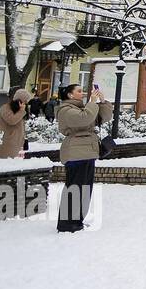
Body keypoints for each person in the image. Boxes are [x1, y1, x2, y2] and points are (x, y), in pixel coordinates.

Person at [56, 83, 102, 232]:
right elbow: (84, 118)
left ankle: (77, 221)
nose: (82, 93)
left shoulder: (84, 108)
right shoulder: (65, 110)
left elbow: (102, 117)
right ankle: (67, 224)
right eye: (79, 91)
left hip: (88, 151)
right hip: (76, 153)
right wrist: (92, 103)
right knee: (75, 187)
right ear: (70, 95)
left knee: (85, 188)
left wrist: (103, 102)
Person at [0, 88, 32, 159]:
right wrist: (21, 111)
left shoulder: (19, 110)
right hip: (8, 143)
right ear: (19, 100)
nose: (25, 104)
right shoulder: (6, 108)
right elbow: (11, 120)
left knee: (16, 164)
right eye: (25, 101)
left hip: (18, 144)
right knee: (8, 165)